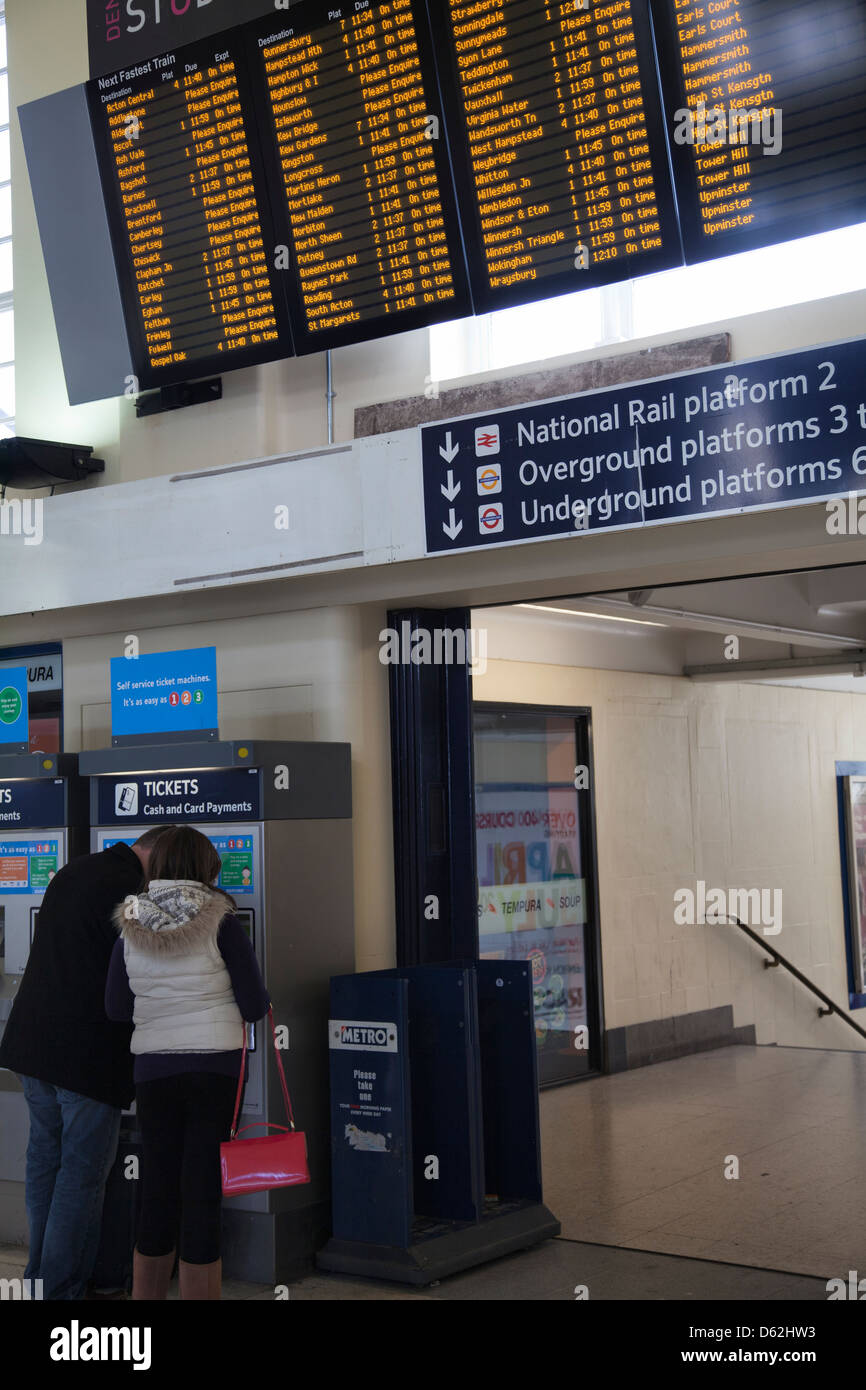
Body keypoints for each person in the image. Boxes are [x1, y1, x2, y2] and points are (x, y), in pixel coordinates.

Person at [0, 827, 169, 1300]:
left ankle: (40, 1279)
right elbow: (147, 967)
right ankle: (60, 1289)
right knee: (80, 1174)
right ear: (156, 855)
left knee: (45, 1164)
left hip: (32, 1043)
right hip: (86, 1056)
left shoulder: (75, 870)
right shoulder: (129, 890)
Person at [105, 825, 269, 1301]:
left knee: (156, 1183)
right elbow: (255, 1004)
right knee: (201, 1189)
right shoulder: (221, 920)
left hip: (154, 1072)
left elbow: (116, 1008)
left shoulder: (129, 926)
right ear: (206, 868)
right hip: (214, 1071)